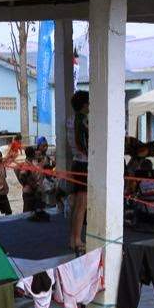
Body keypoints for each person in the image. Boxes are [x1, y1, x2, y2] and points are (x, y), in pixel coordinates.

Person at [66, 91, 89, 253]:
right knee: (82, 205)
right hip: (84, 163)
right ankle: (77, 239)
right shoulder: (82, 120)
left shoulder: (70, 119)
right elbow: (81, 143)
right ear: (84, 105)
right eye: (89, 102)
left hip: (75, 162)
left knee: (76, 204)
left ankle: (72, 239)